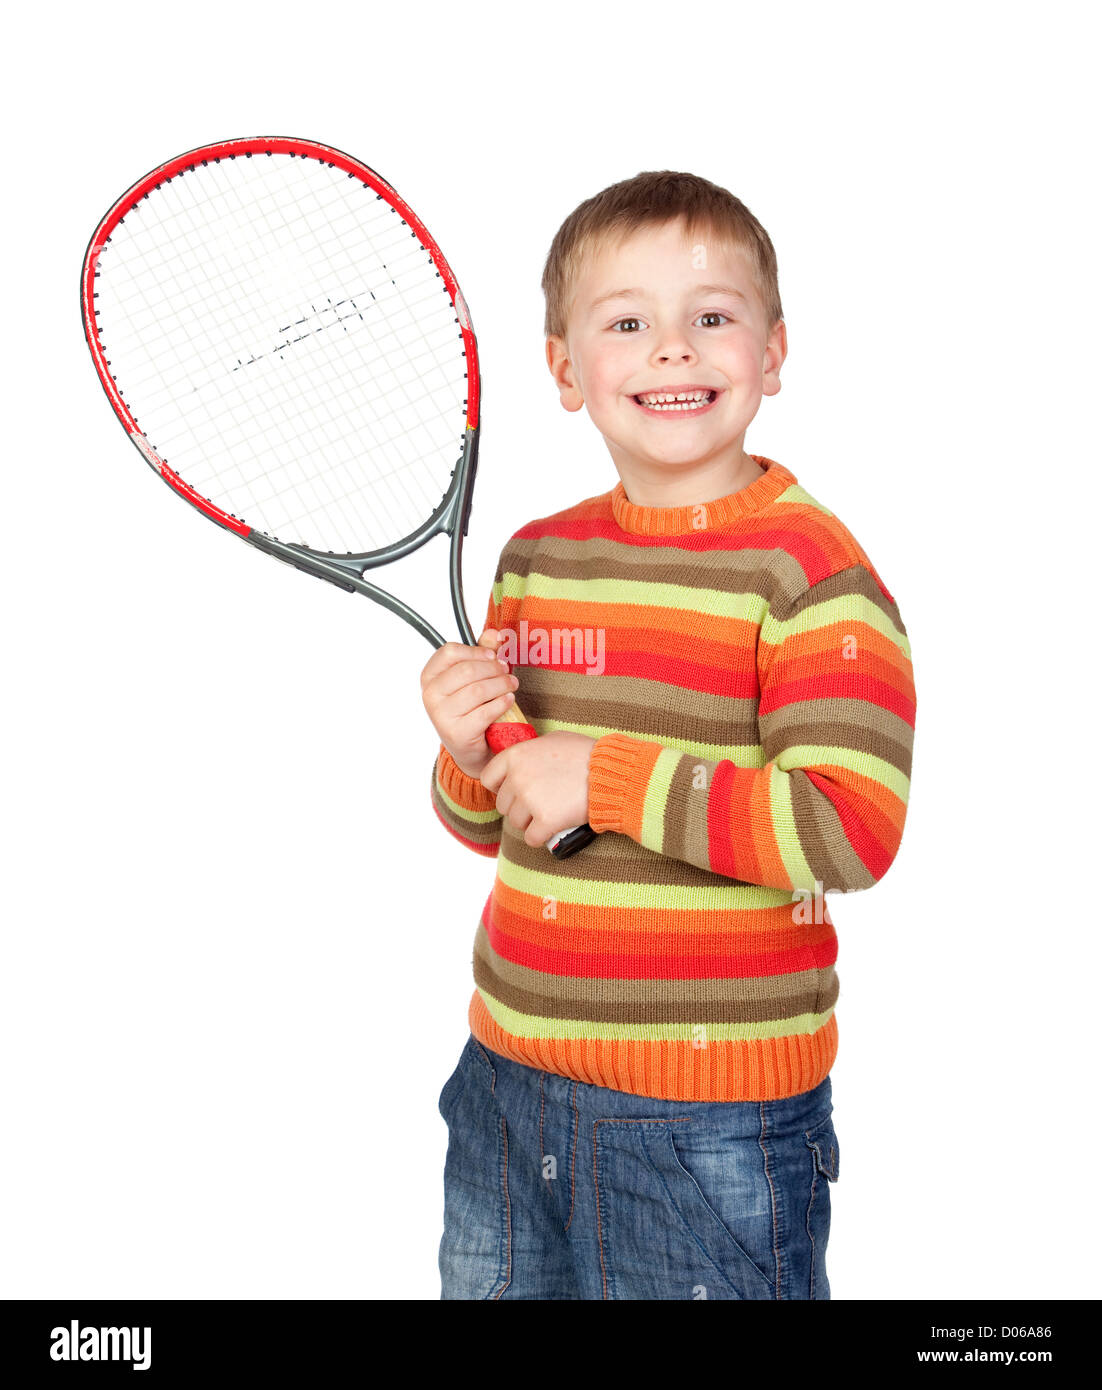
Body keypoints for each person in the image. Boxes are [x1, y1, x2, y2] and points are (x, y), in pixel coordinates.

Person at [420, 170, 916, 1300]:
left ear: (773, 352)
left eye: (712, 318)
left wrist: (604, 775)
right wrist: (464, 750)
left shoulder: (807, 572)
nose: (673, 351)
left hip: (710, 1121)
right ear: (563, 369)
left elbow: (847, 832)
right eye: (628, 322)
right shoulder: (537, 559)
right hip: (505, 1082)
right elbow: (496, 808)